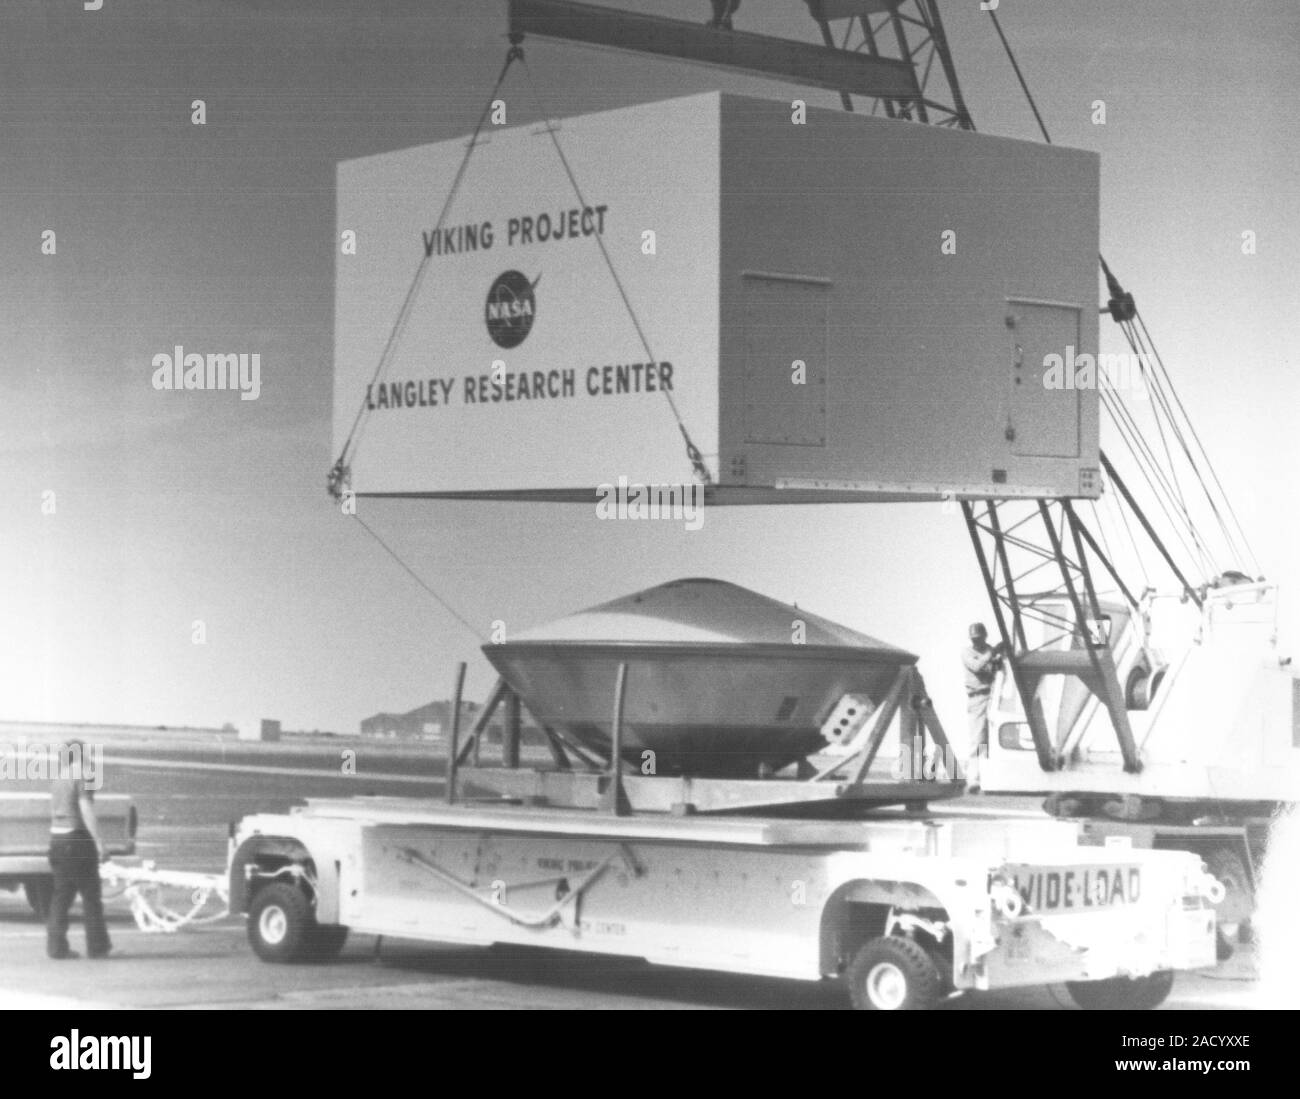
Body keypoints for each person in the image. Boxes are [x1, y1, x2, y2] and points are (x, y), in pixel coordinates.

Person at [47, 741, 112, 960]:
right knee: (91, 896)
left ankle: (56, 948)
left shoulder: (59, 777)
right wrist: (100, 843)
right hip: (77, 840)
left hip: (57, 839)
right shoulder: (82, 775)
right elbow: (86, 809)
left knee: (60, 897)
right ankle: (97, 947)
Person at [961, 623, 1004, 794]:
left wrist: (999, 658)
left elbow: (998, 670)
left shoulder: (990, 651)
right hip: (977, 697)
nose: (976, 642)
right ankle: (973, 778)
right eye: (974, 639)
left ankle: (987, 777)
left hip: (992, 697)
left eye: (979, 639)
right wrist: (992, 654)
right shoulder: (967, 652)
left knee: (991, 739)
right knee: (977, 739)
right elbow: (977, 666)